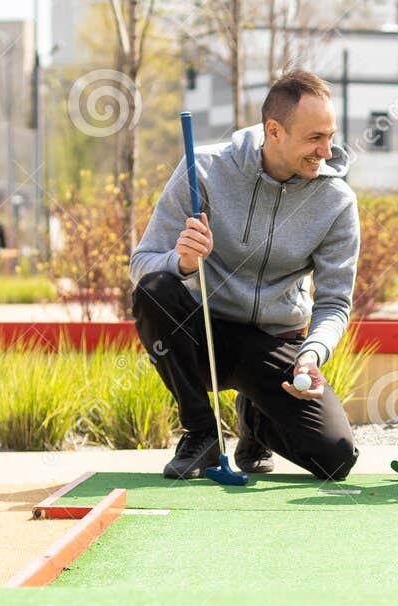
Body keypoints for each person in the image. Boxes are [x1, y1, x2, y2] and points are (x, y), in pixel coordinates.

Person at [130, 70, 360, 480]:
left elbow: (334, 302)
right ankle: (201, 432)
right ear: (274, 131)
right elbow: (142, 265)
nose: (327, 150)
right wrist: (181, 263)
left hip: (273, 343)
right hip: (203, 337)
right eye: (314, 138)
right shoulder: (202, 169)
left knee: (337, 457)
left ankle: (257, 421)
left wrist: (312, 354)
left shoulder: (336, 200)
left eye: (330, 135)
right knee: (155, 288)